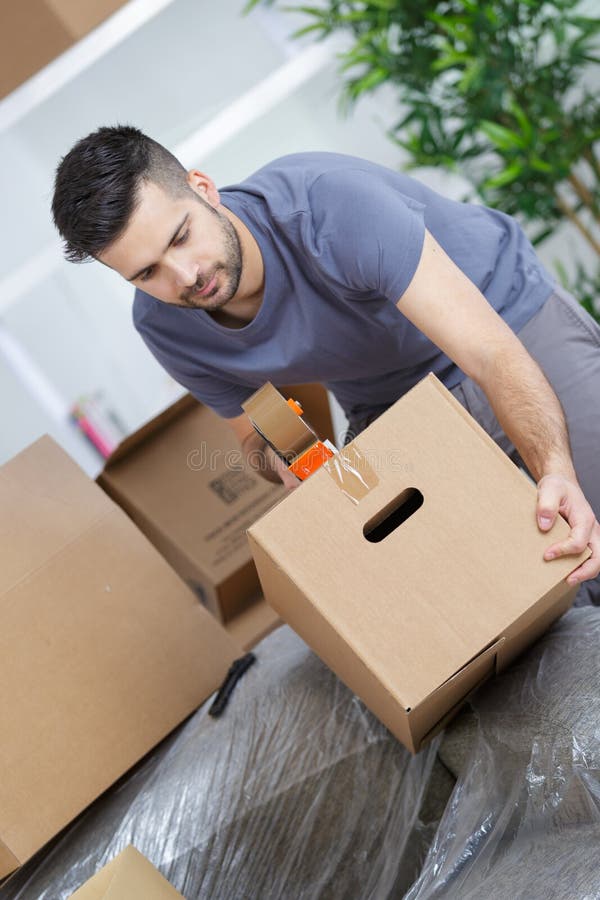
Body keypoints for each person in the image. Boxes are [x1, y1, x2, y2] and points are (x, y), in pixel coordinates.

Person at [52, 125, 600, 603]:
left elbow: (489, 352)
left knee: (586, 520)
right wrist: (292, 459)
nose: (185, 276)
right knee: (486, 591)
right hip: (386, 399)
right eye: (147, 273)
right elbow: (259, 430)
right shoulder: (165, 325)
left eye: (181, 236)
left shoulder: (330, 208)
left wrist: (554, 468)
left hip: (505, 320)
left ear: (203, 188)